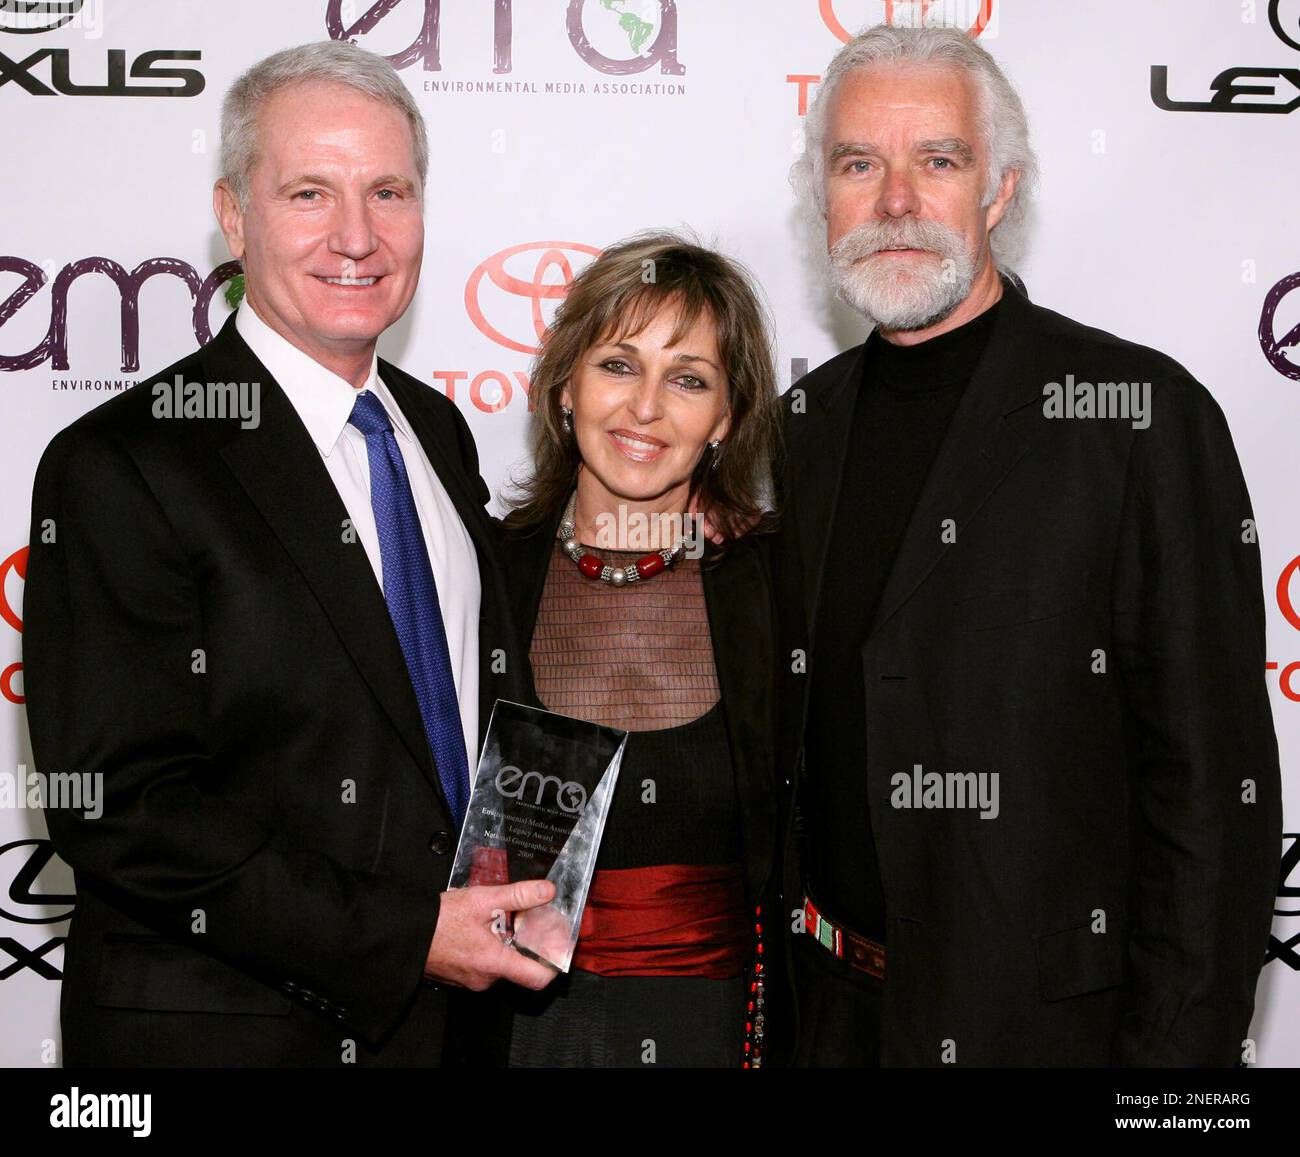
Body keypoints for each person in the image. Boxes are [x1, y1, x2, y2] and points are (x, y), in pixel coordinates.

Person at [22, 40, 556, 1067]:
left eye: (387, 191)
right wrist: (405, 937)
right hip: (230, 1035)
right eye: (309, 192)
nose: (356, 235)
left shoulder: (436, 431)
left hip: (453, 1027)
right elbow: (123, 803)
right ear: (234, 213)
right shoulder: (122, 462)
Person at [774, 23, 1282, 1067]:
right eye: (859, 163)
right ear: (822, 193)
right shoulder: (800, 427)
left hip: (1053, 1034)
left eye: (938, 161)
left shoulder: (1136, 417)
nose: (897, 200)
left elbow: (1212, 793)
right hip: (829, 1019)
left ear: (999, 190)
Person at [497, 233, 785, 1068]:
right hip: (514, 1037)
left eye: (689, 378)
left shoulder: (775, 590)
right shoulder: (482, 578)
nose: (645, 407)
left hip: (725, 1034)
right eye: (618, 365)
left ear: (726, 418)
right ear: (563, 388)